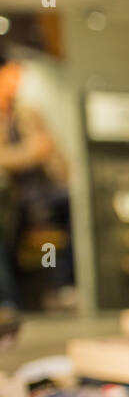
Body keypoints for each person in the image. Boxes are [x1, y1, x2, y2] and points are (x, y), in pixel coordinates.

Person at [0, 53, 69, 317]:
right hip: (12, 197)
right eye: (13, 73)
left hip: (37, 197)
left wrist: (56, 166)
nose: (17, 80)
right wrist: (32, 152)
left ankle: (59, 286)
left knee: (68, 208)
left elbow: (53, 151)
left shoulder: (28, 112)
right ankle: (10, 302)